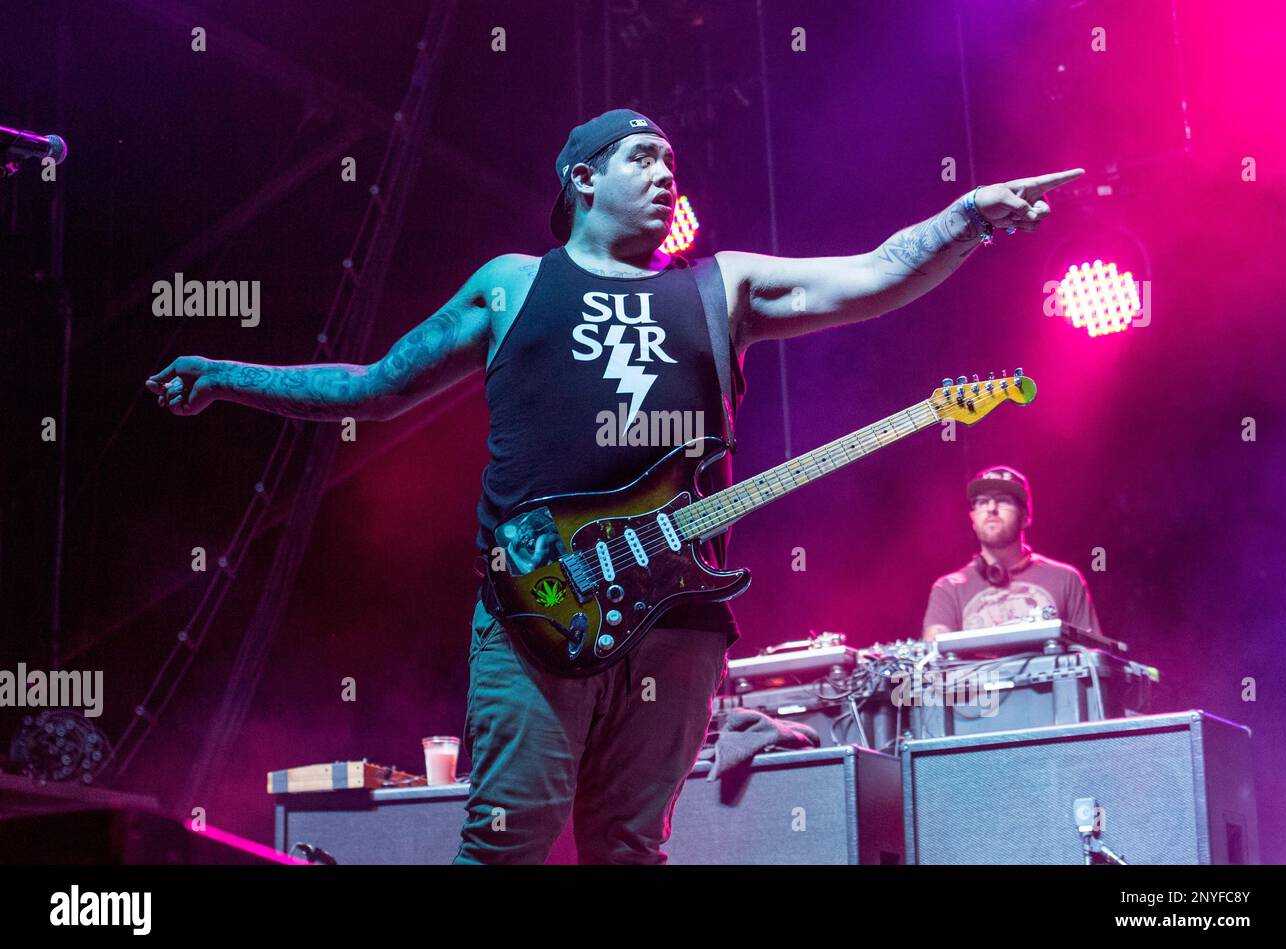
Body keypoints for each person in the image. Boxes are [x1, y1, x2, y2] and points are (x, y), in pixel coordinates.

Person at [146, 107, 1081, 863]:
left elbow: (875, 272)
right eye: (641, 156)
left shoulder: (724, 286)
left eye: (673, 157)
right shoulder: (514, 285)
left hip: (676, 622)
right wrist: (232, 374)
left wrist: (969, 217)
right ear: (582, 178)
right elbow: (373, 386)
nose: (666, 170)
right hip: (536, 602)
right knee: (506, 838)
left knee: (629, 847)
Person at [922, 465, 1103, 639]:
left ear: (1025, 517)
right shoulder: (948, 589)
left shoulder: (1065, 579)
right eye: (982, 502)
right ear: (973, 519)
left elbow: (1090, 655)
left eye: (1003, 500)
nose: (991, 508)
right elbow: (935, 657)